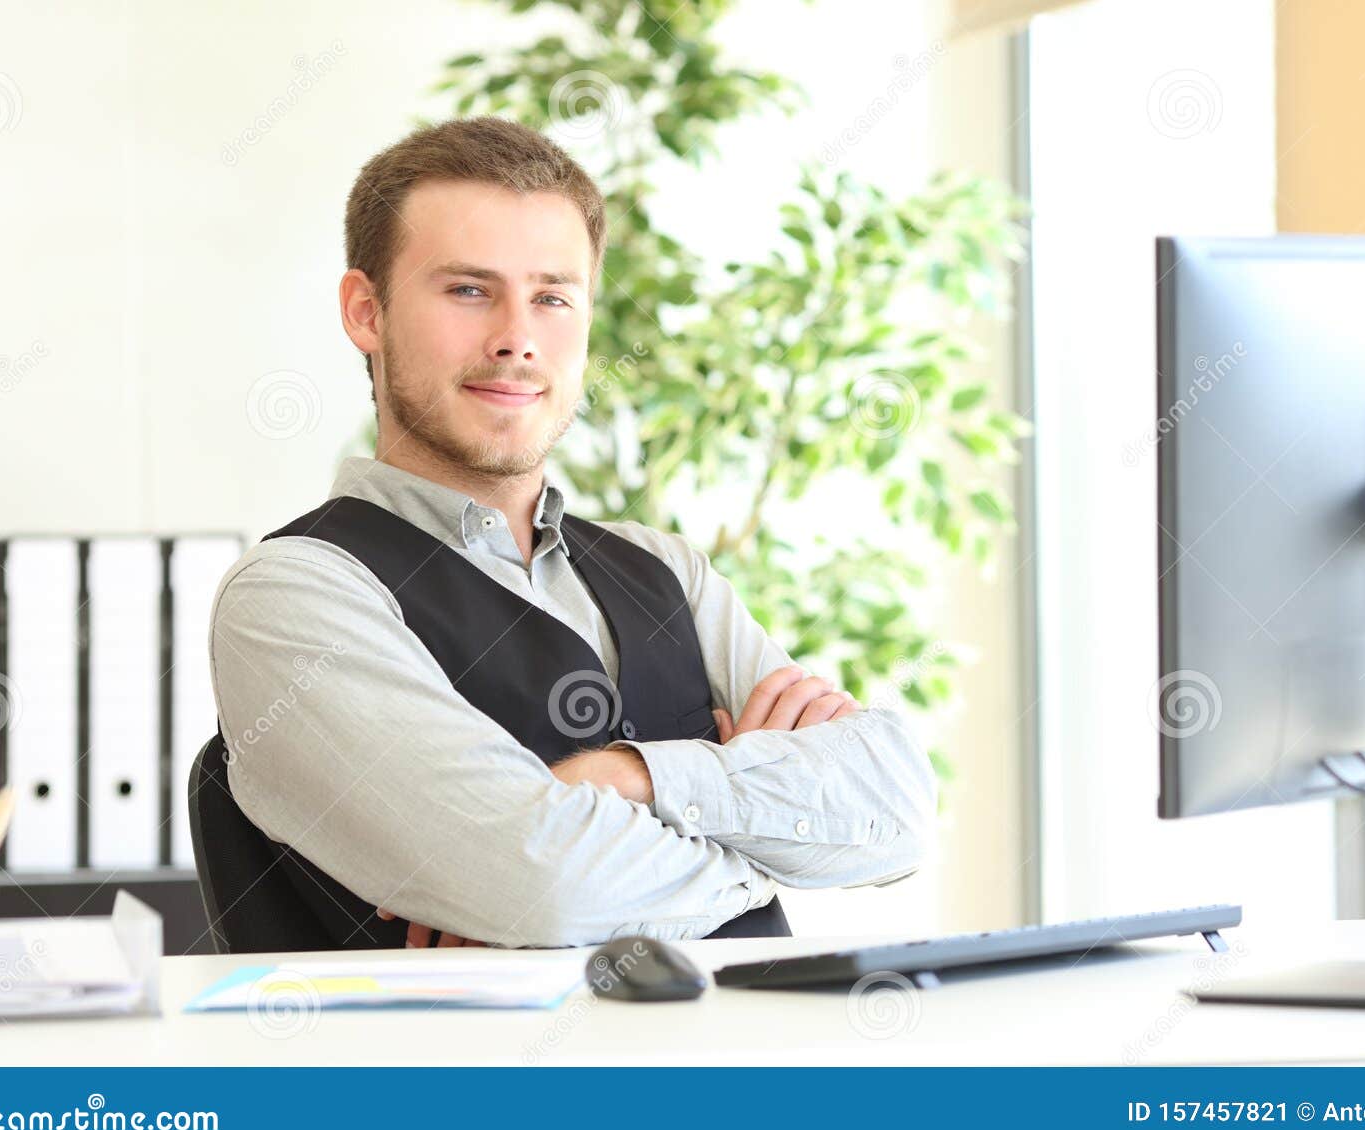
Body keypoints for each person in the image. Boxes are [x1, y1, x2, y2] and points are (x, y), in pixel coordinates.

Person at [207, 117, 936, 949]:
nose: (517, 338)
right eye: (469, 290)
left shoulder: (667, 571)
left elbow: (899, 812)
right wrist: (764, 848)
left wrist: (625, 777)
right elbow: (542, 885)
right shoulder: (298, 592)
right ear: (366, 312)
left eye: (553, 296)